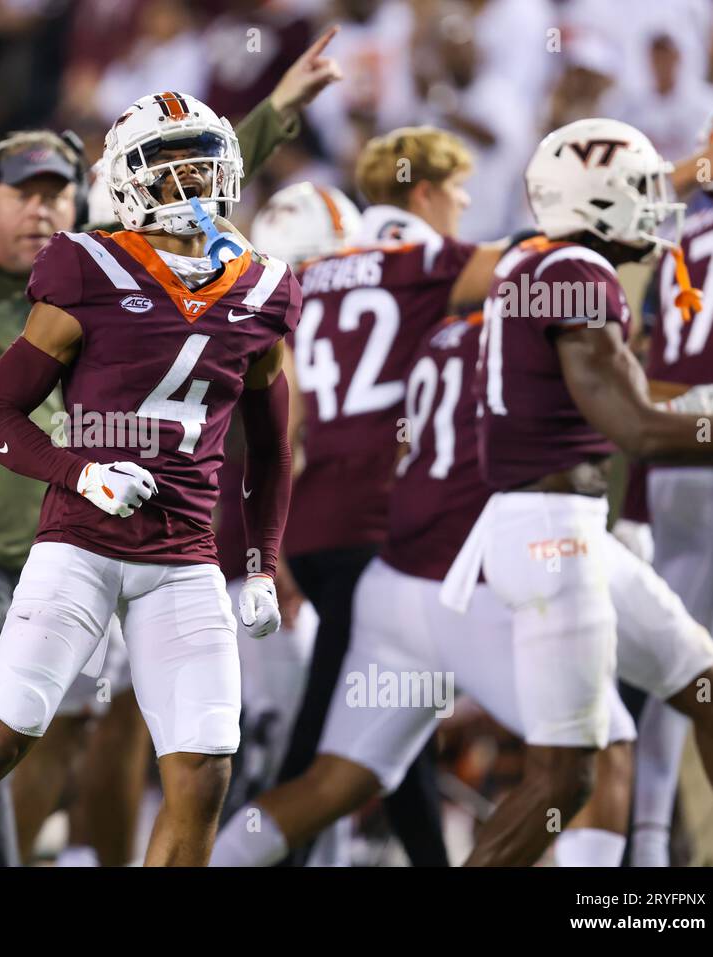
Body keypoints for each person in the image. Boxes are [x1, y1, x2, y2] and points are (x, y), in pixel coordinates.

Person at [0, 29, 344, 866]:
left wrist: (260, 560)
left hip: (184, 557)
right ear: (132, 181)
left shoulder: (263, 287)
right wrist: (82, 472)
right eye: (171, 166)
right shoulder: (86, 265)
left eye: (201, 162)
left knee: (203, 773)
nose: (193, 182)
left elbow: (270, 446)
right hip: (81, 542)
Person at [211, 305, 639, 868]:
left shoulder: (434, 335)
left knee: (329, 783)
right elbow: (623, 415)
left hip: (391, 585)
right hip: (464, 585)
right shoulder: (525, 339)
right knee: (601, 746)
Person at [442, 117, 713, 867]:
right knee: (564, 778)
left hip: (568, 533)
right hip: (552, 541)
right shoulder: (573, 276)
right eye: (643, 191)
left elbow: (633, 413)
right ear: (600, 203)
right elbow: (638, 429)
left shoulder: (536, 261)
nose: (658, 206)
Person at [272, 127, 507, 866]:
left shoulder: (307, 279)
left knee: (385, 728)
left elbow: (289, 420)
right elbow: (533, 262)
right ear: (425, 194)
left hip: (313, 525)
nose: (465, 205)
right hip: (375, 528)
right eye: (458, 192)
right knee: (320, 751)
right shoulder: (416, 263)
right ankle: (234, 852)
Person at [629, 91, 713, 866]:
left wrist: (682, 173)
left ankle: (642, 847)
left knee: (676, 666)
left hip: (672, 458)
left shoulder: (678, 220)